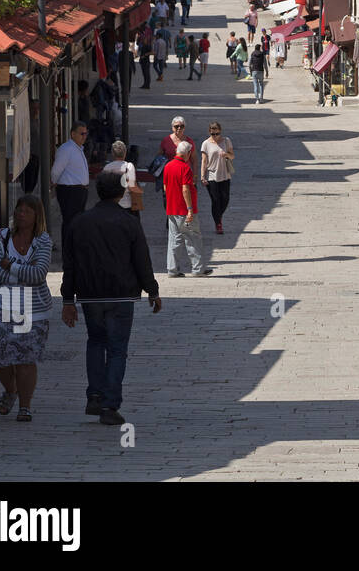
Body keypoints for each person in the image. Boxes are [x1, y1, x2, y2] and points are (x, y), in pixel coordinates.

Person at [60, 171, 162, 426]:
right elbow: (142, 259)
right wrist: (152, 290)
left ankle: (94, 394)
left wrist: (67, 300)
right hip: (121, 296)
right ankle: (109, 404)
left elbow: (69, 264)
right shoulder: (128, 222)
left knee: (95, 342)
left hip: (90, 295)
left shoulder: (79, 223)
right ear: (120, 193)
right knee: (117, 350)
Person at [0, 196, 53, 423]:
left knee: (26, 359)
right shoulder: (4, 236)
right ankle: (11, 389)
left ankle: (25, 406)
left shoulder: (43, 241)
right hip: (3, 307)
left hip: (34, 311)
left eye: (27, 211)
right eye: (19, 210)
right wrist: (18, 276)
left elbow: (39, 274)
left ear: (37, 216)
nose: (21, 214)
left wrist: (11, 266)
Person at [163, 141, 210, 277]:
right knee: (193, 238)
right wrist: (189, 208)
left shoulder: (168, 166)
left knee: (174, 239)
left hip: (171, 209)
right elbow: (185, 189)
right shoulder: (185, 168)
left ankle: (172, 270)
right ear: (188, 153)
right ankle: (198, 269)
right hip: (184, 209)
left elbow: (165, 187)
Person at [51, 123, 90, 254]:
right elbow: (56, 170)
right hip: (70, 191)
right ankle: (68, 253)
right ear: (73, 134)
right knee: (70, 222)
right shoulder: (66, 149)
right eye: (81, 133)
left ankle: (74, 251)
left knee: (77, 223)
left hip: (79, 190)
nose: (84, 136)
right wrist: (55, 182)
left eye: (86, 133)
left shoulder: (77, 148)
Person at [200, 122, 235, 234]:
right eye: (213, 133)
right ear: (209, 132)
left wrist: (226, 155)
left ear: (220, 131)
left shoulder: (226, 141)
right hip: (211, 175)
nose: (215, 135)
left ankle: (218, 216)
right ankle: (218, 223)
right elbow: (204, 161)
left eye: (217, 133)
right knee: (215, 201)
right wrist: (202, 176)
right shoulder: (206, 143)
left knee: (225, 199)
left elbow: (232, 156)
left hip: (225, 174)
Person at [102, 140, 139, 218]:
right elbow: (132, 186)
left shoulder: (107, 168)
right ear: (125, 153)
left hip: (111, 205)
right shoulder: (129, 166)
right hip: (127, 205)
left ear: (112, 154)